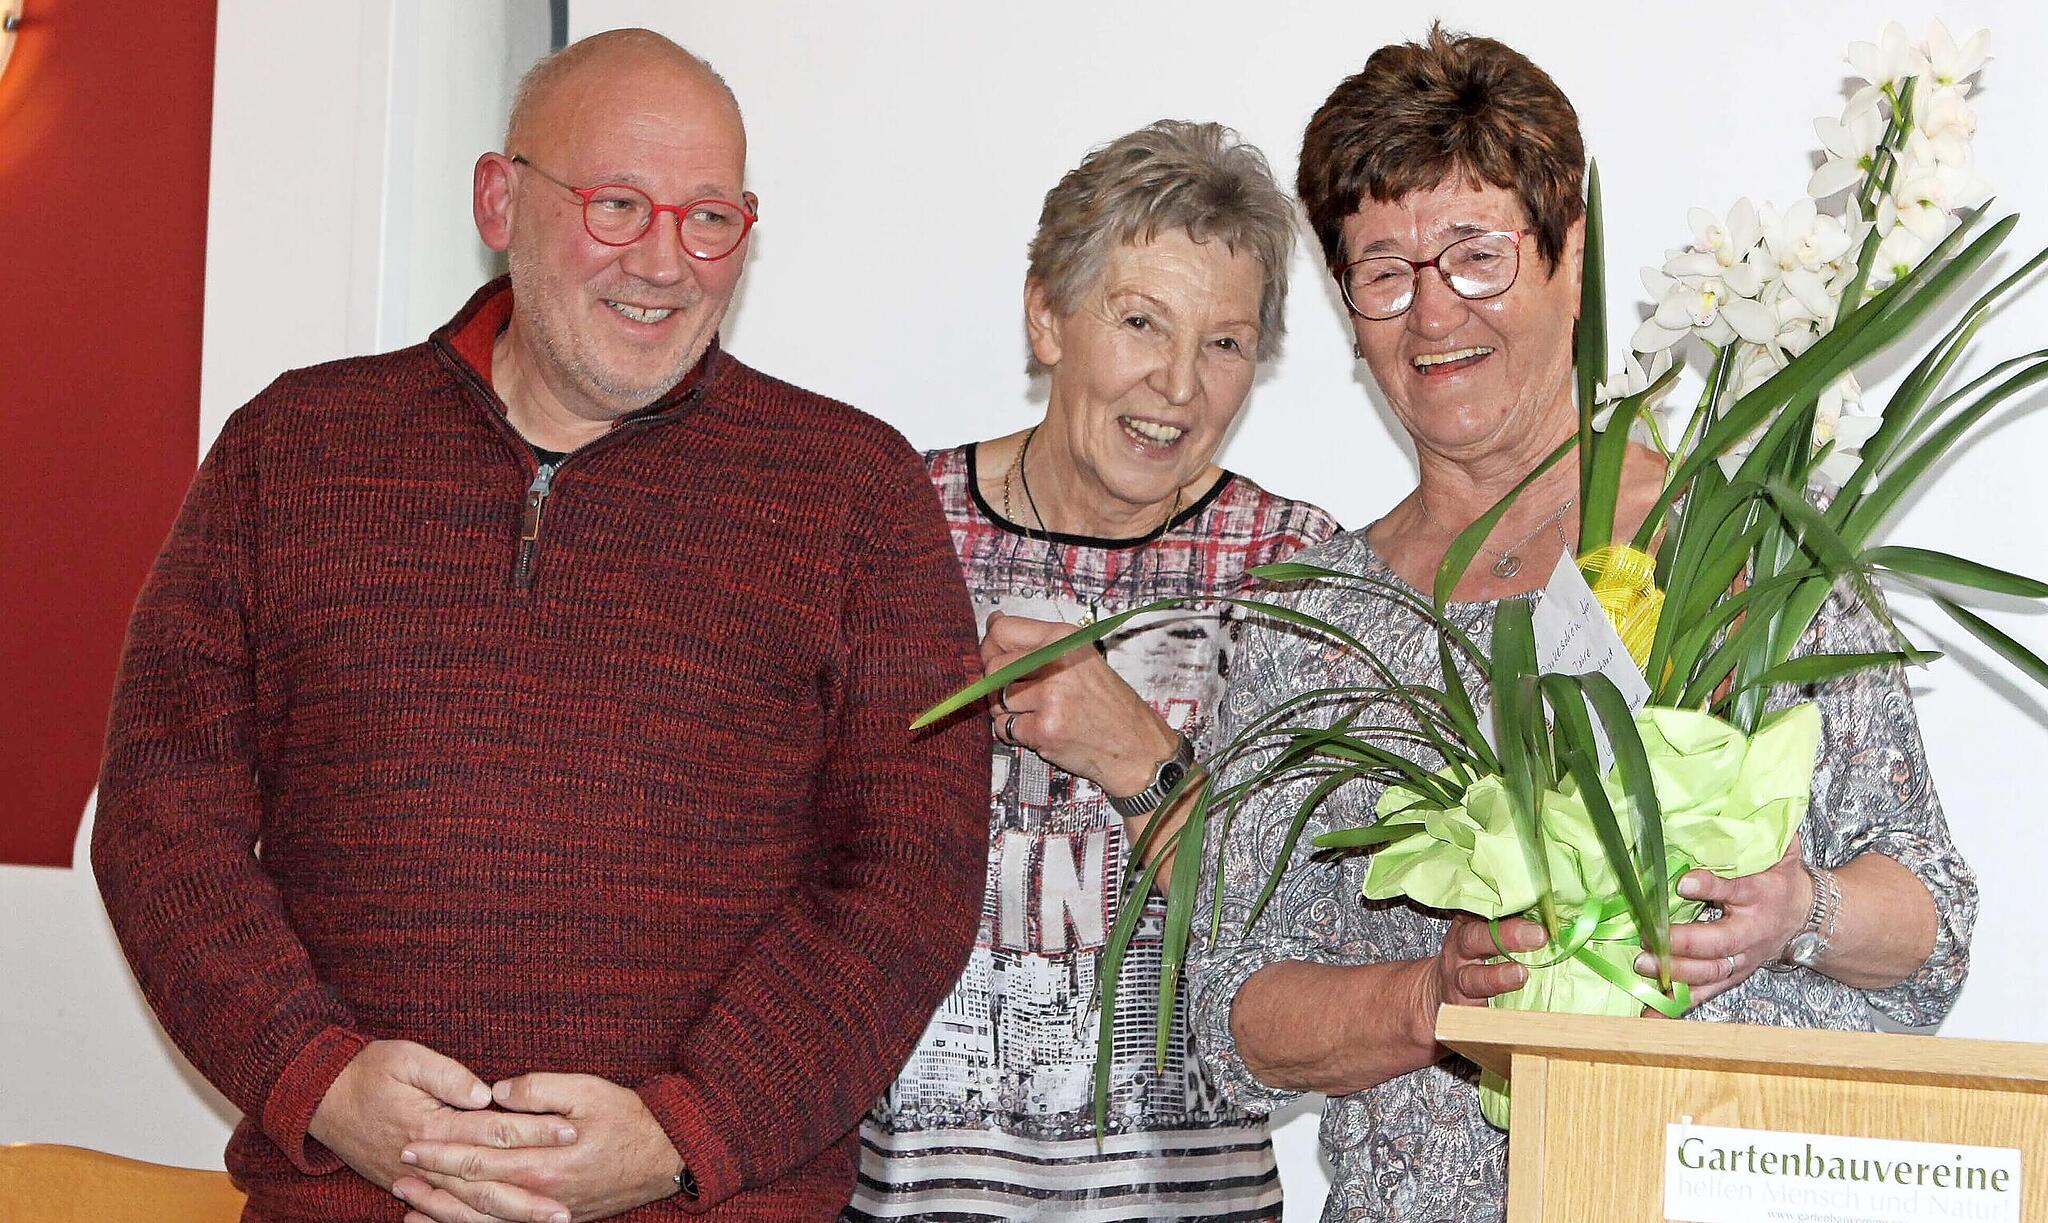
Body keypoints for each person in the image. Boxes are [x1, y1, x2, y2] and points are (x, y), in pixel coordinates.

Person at [91, 28, 987, 1223]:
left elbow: (910, 874)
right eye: (617, 205)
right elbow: (159, 816)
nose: (664, 262)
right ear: (498, 200)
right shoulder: (293, 449)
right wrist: (317, 1077)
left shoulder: (851, 488)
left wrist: (687, 1129)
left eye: (709, 218)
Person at [1184, 26, 1979, 1221]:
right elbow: (1229, 1015)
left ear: (1569, 251)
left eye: (1476, 255)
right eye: (1383, 271)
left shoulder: (1741, 545)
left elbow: (1929, 922)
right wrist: (1430, 997)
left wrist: (1794, 911)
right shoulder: (1313, 621)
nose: (1430, 312)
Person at [847, 121, 1339, 1221]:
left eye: (1224, 341)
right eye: (1139, 321)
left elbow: (1306, 948)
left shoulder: (1293, 568)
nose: (1178, 383)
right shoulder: (893, 527)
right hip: (899, 1200)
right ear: (1045, 316)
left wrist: (1141, 759)